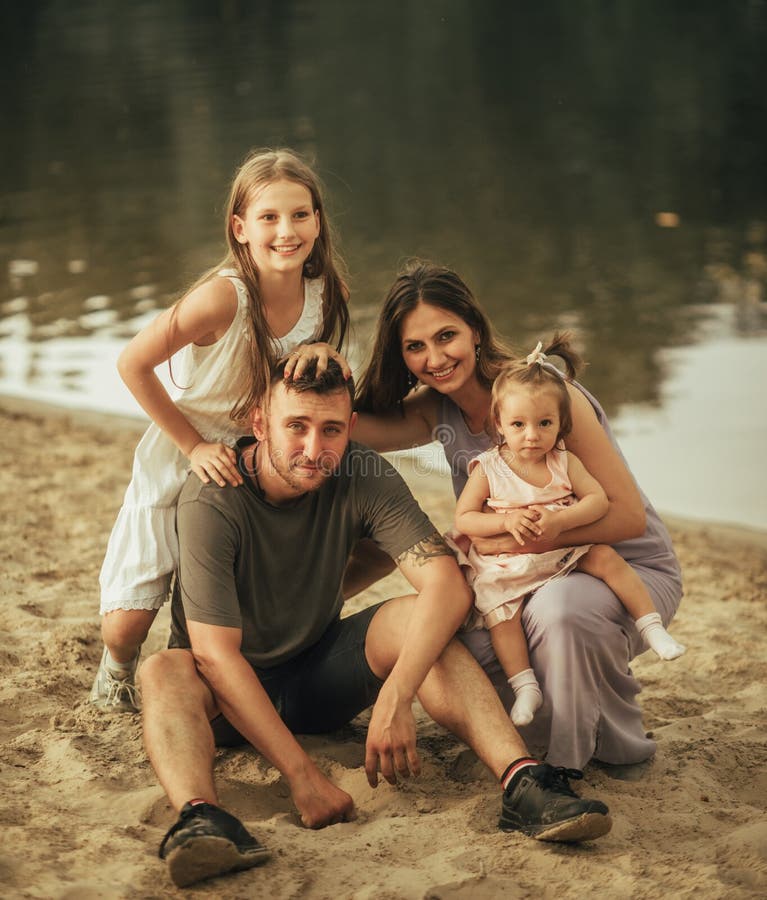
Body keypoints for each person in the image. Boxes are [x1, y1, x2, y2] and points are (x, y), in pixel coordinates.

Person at [141, 358, 612, 889]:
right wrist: (303, 777)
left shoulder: (362, 473)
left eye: (331, 430)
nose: (314, 448)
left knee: (417, 619)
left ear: (351, 430)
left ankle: (524, 783)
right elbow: (215, 656)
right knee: (164, 669)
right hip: (222, 705)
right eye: (296, 426)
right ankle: (202, 816)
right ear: (259, 424)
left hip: (317, 675)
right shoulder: (214, 495)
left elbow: (446, 583)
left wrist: (397, 695)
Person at [353, 261, 684, 770]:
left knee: (560, 611)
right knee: (448, 648)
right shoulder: (433, 410)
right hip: (520, 579)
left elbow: (627, 520)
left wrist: (522, 541)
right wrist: (296, 369)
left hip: (617, 569)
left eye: (447, 336)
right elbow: (341, 426)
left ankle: (596, 750)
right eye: (415, 347)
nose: (435, 358)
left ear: (476, 330)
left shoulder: (546, 396)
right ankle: (545, 733)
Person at [91, 148, 352, 713]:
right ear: (240, 228)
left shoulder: (324, 293)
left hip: (260, 457)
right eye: (269, 218)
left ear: (318, 220)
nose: (287, 231)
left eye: (301, 215)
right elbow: (132, 364)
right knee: (128, 624)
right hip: (187, 447)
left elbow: (302, 389)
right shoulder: (223, 297)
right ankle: (116, 668)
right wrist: (191, 445)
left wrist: (324, 348)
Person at [450, 335, 686, 728]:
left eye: (545, 423)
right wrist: (506, 521)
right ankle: (525, 684)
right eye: (519, 424)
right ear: (499, 424)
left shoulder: (564, 460)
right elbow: (466, 519)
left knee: (606, 558)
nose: (532, 435)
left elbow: (598, 501)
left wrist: (562, 520)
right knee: (500, 616)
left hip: (562, 553)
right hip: (510, 563)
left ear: (562, 424)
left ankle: (652, 626)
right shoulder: (488, 468)